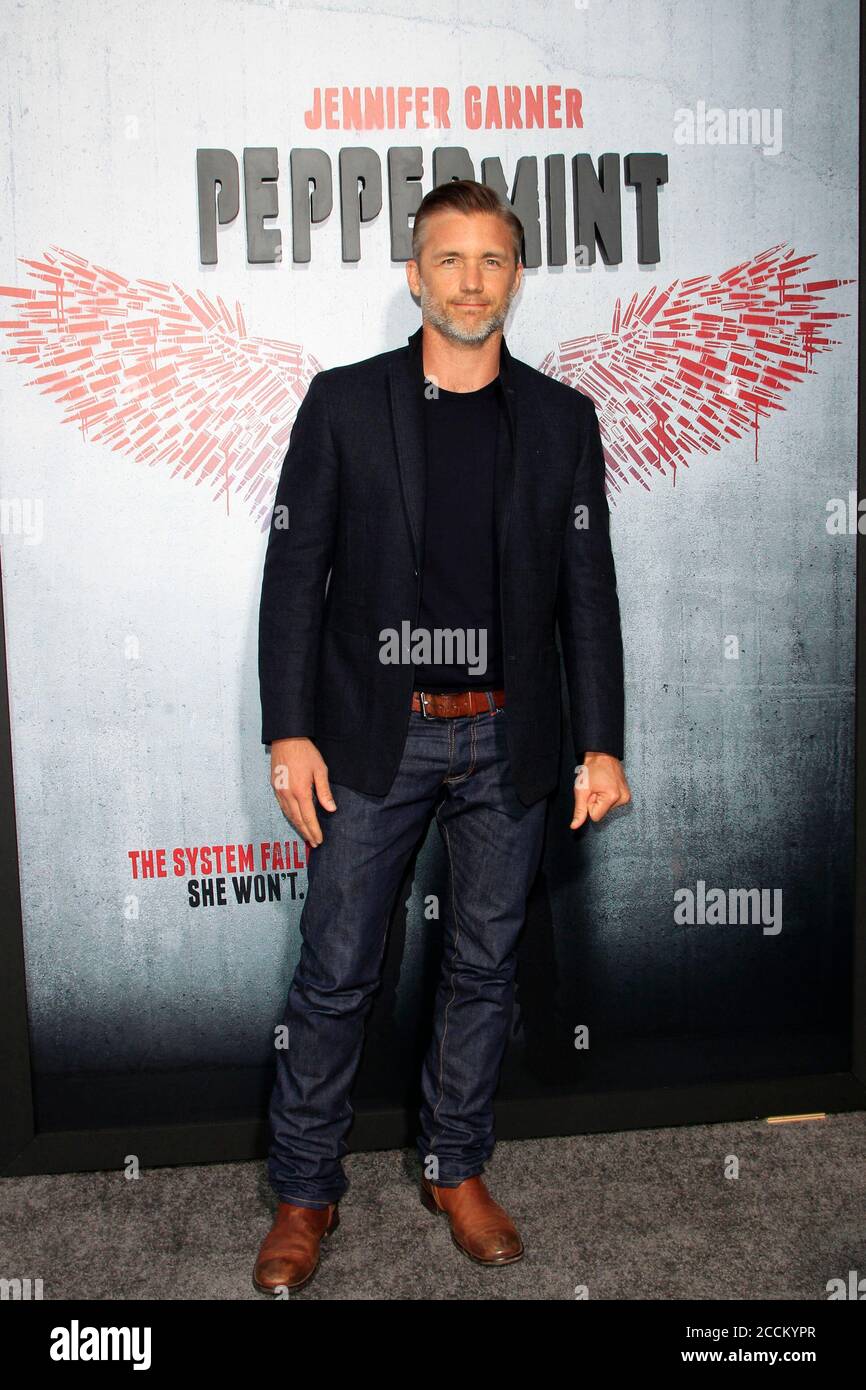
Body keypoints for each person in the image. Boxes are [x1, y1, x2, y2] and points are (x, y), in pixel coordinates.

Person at [253, 178, 631, 1294]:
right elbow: (292, 580)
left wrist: (599, 740)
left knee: (481, 966)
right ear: (415, 276)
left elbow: (587, 592)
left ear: (516, 276)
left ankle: (453, 1165)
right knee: (334, 972)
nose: (470, 280)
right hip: (374, 736)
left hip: (508, 740)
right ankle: (304, 1188)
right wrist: (290, 732)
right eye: (448, 259)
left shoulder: (562, 419)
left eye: (491, 260)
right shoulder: (341, 405)